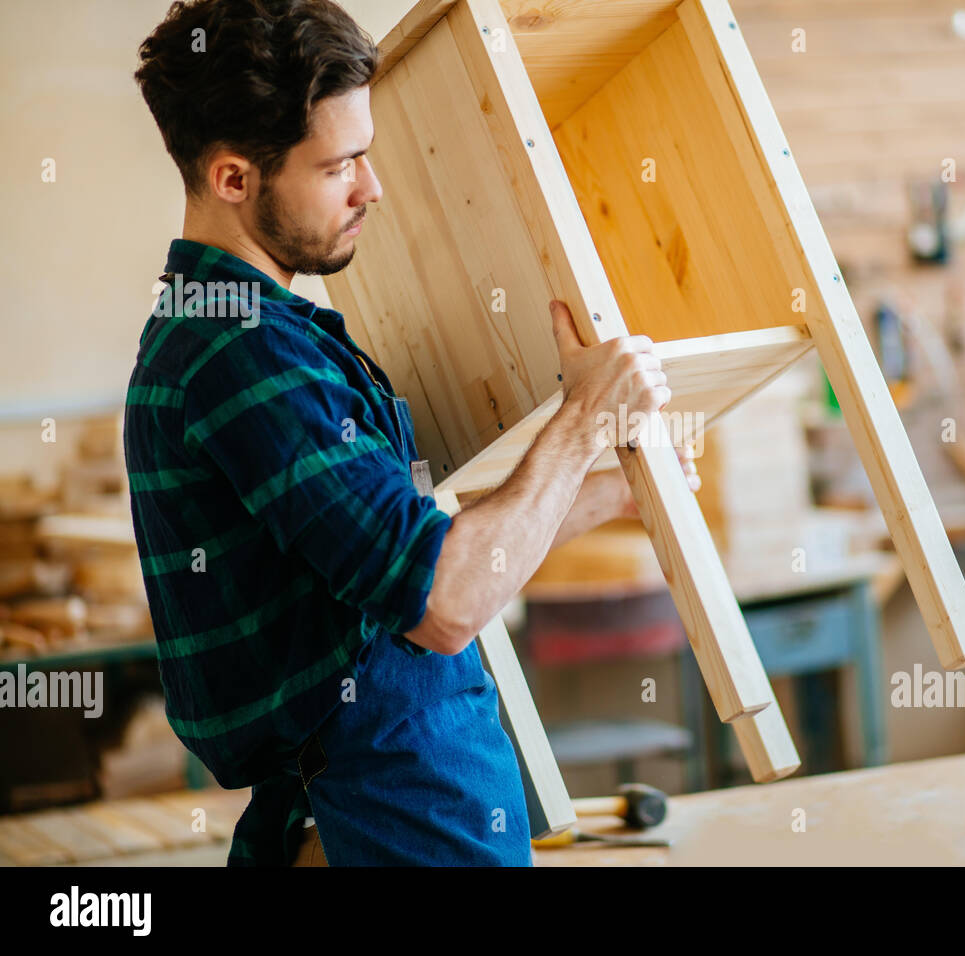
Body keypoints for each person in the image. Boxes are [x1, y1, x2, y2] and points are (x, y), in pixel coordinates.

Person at [127, 0, 699, 866]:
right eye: (339, 164)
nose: (373, 185)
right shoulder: (240, 356)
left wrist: (609, 492)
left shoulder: (270, 336)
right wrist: (582, 422)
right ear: (234, 179)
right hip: (378, 818)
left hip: (410, 807)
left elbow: (419, 556)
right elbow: (445, 602)